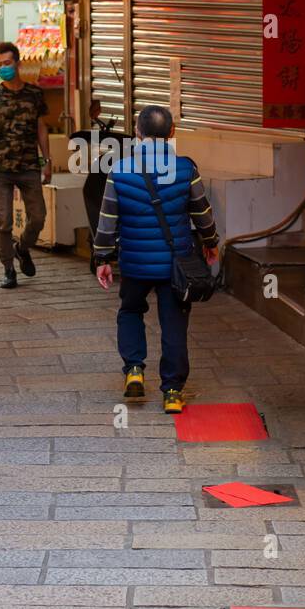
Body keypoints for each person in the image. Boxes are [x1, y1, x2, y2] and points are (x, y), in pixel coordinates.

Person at [93, 104, 220, 415]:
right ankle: (173, 391)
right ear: (172, 133)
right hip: (175, 264)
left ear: (137, 132)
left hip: (135, 263)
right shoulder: (185, 169)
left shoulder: (120, 170)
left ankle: (134, 369)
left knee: (131, 311)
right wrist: (211, 243)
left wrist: (102, 258)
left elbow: (107, 219)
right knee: (173, 323)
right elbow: (202, 213)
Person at [0, 41, 51, 289]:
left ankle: (22, 247)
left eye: (7, 63)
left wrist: (47, 161)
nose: (3, 68)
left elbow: (42, 129)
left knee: (38, 217)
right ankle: (8, 268)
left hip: (29, 165)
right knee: (4, 222)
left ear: (18, 63)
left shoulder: (34, 94)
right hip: (0, 168)